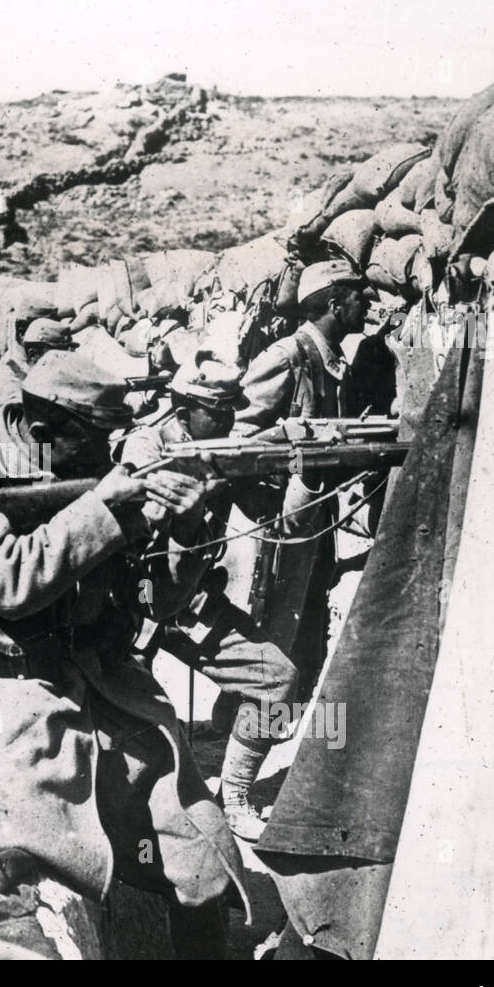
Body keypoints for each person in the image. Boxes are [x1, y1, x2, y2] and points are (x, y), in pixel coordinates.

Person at [0, 350, 248, 958]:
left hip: (103, 687)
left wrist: (188, 534)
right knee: (16, 851)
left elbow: (157, 602)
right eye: (94, 440)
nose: (104, 455)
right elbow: (6, 584)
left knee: (203, 853)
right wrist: (102, 509)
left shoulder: (94, 474)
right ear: (43, 431)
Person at [121, 360, 299, 842]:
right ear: (185, 408)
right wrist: (201, 489)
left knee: (276, 678)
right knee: (132, 731)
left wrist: (293, 469)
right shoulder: (146, 447)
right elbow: (142, 524)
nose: (228, 421)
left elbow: (270, 516)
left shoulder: (217, 446)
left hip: (190, 601)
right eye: (219, 412)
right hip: (135, 604)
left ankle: (235, 795)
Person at [232, 259, 371, 691]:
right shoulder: (288, 356)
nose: (365, 301)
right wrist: (267, 504)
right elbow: (240, 438)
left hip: (315, 515)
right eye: (355, 294)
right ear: (334, 303)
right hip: (279, 519)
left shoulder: (333, 363)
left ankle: (294, 714)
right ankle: (244, 715)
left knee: (306, 613)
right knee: (271, 620)